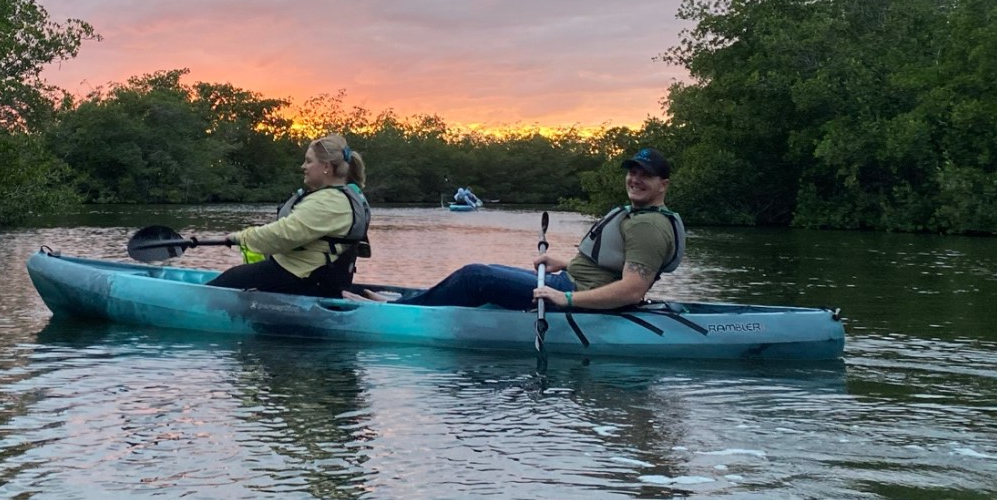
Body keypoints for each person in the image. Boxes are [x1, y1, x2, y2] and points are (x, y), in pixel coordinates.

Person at [398, 147, 684, 309]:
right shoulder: (638, 215)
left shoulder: (648, 226)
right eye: (632, 172)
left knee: (475, 276)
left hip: (574, 293)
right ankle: (411, 300)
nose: (635, 180)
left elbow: (633, 291)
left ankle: (401, 311)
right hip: (571, 282)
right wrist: (564, 263)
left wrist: (566, 297)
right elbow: (610, 266)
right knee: (484, 269)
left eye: (646, 175)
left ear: (664, 184)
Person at [209, 133, 372, 298]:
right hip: (315, 277)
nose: (303, 166)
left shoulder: (328, 203)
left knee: (221, 286)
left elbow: (283, 235)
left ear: (326, 167)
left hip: (303, 278)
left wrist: (240, 237)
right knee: (239, 276)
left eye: (309, 161)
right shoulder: (339, 197)